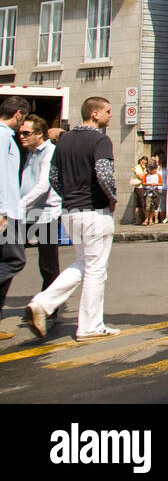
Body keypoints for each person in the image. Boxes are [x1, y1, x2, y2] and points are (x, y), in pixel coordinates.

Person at [24, 96, 119, 341]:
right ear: (95, 114)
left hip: (70, 211)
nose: (110, 115)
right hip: (94, 211)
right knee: (96, 269)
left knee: (83, 263)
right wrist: (111, 198)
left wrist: (68, 196)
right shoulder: (100, 139)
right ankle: (89, 325)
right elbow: (103, 172)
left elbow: (54, 177)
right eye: (107, 111)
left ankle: (42, 303)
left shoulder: (64, 142)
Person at [18, 115, 61, 294]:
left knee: (47, 264)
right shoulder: (30, 153)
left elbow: (43, 185)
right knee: (9, 255)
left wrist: (18, 206)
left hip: (46, 214)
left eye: (26, 133)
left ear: (39, 134)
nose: (21, 136)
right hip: (27, 212)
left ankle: (49, 308)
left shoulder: (50, 152)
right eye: (20, 133)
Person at [0, 96, 30, 339]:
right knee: (14, 260)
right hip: (6, 213)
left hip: (10, 210)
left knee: (10, 260)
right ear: (18, 114)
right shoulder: (2, 137)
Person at [141, 159, 164, 226]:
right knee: (147, 206)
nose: (155, 170)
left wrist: (155, 184)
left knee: (153, 206)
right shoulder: (146, 175)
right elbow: (143, 183)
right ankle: (146, 218)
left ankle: (151, 219)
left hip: (155, 192)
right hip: (148, 192)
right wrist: (148, 184)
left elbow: (160, 183)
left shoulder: (158, 175)